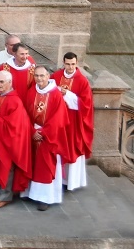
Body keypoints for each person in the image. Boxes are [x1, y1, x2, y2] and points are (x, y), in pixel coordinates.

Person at [0, 71, 33, 208]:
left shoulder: (15, 100)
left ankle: (5, 196)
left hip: (6, 140)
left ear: (10, 82)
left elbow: (15, 123)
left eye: (2, 82)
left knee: (5, 167)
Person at [24, 66, 68, 211]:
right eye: (36, 76)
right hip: (32, 133)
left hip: (49, 135)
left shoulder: (55, 94)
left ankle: (45, 198)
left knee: (45, 166)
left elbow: (59, 118)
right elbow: (25, 114)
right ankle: (31, 193)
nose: (39, 79)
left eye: (42, 76)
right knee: (33, 163)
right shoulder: (32, 92)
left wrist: (43, 132)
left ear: (48, 76)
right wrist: (32, 130)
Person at [53, 52, 93, 191]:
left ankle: (71, 181)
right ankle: (58, 179)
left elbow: (86, 104)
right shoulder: (56, 76)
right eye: (68, 64)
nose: (70, 67)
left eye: (73, 64)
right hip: (58, 120)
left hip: (74, 121)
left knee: (72, 147)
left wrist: (67, 94)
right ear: (63, 63)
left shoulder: (82, 81)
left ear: (77, 63)